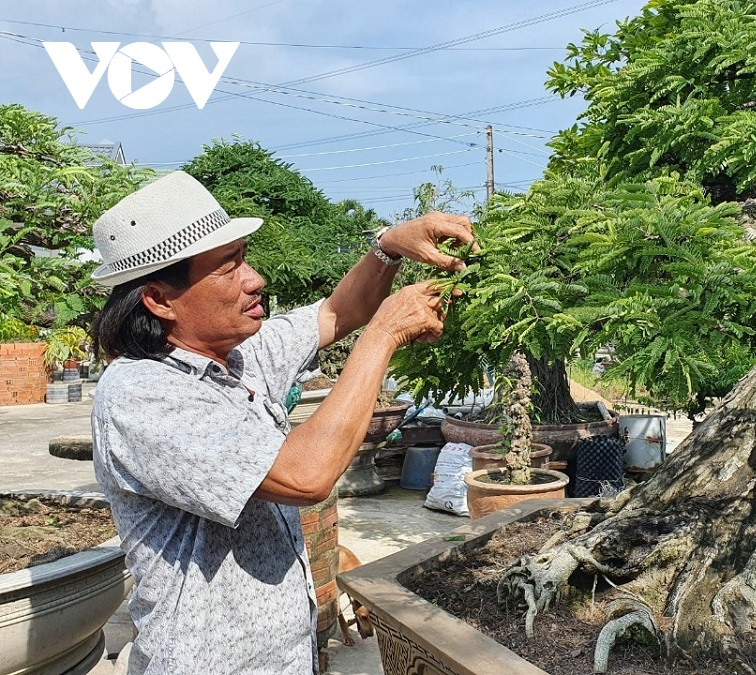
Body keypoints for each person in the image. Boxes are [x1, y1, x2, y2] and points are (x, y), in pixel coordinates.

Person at [88, 171, 474, 674]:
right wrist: (384, 336)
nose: (254, 279)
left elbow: (339, 311)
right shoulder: (142, 395)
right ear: (160, 300)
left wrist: (388, 247)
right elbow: (306, 474)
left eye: (244, 258)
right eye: (228, 268)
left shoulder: (238, 355)